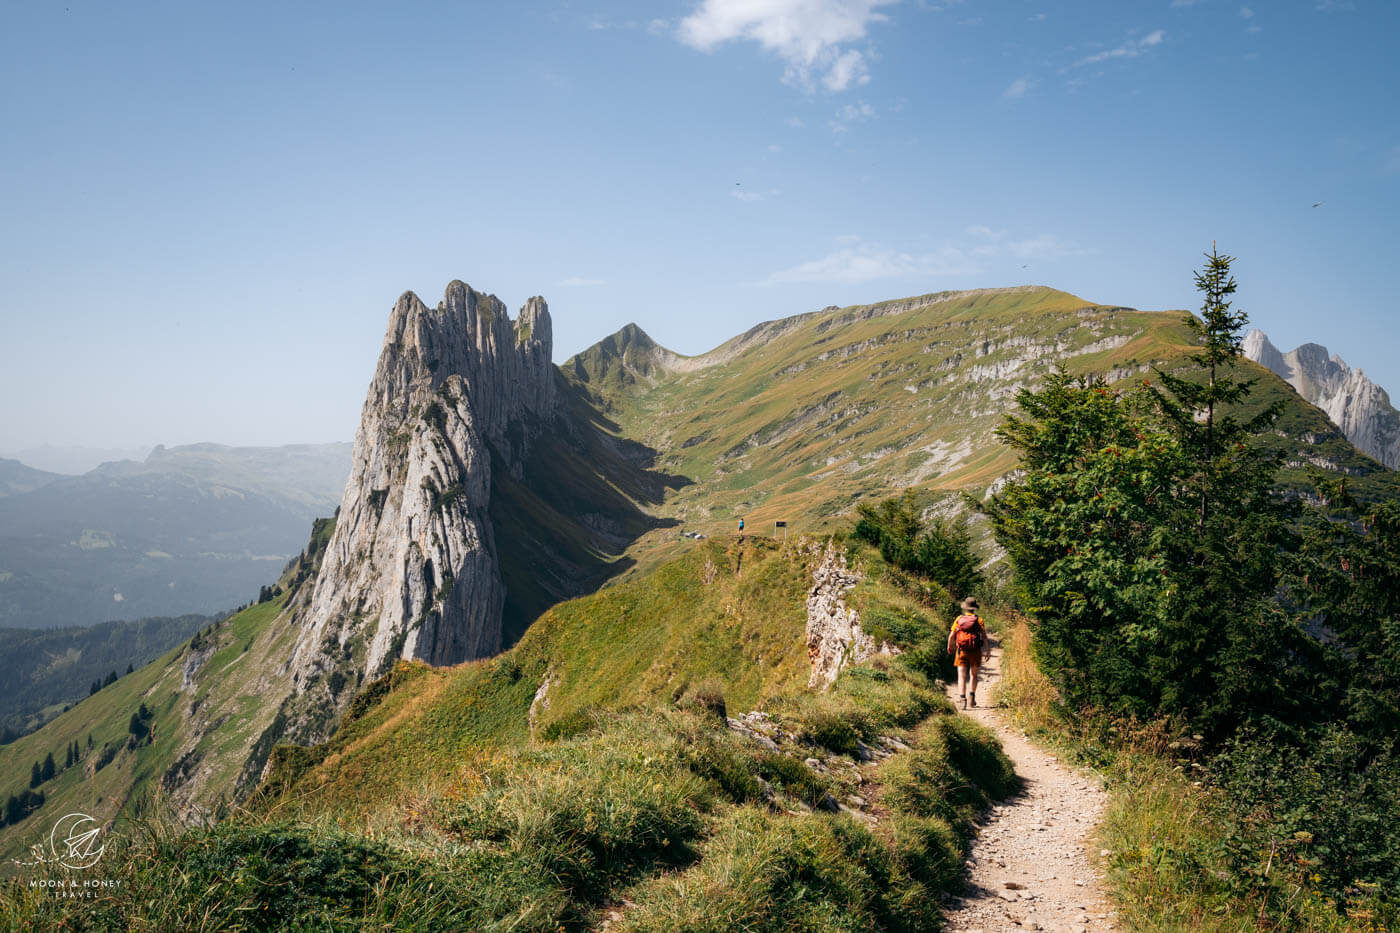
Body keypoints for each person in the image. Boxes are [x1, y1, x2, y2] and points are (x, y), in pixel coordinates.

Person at [946, 597, 988, 709]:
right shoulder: (979, 620)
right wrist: (987, 651)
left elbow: (951, 636)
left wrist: (949, 646)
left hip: (962, 651)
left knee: (961, 675)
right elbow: (984, 637)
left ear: (965, 607)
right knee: (974, 675)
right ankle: (971, 698)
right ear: (974, 608)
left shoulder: (959, 619)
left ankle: (962, 699)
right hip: (975, 651)